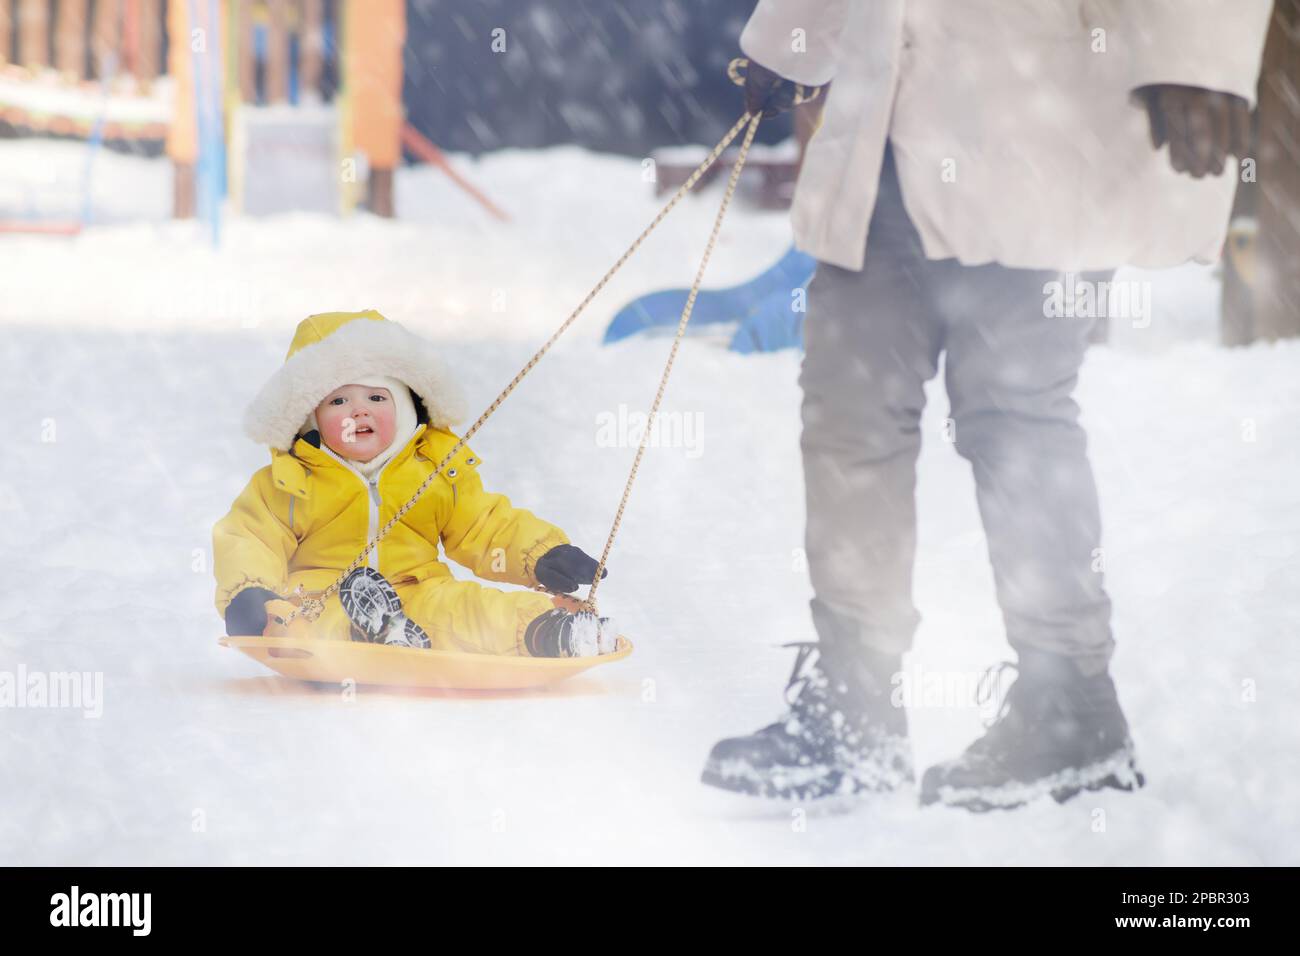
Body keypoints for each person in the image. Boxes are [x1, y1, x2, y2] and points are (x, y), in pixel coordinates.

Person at [702, 0, 1271, 809]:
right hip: (885, 124)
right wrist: (795, 36)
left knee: (1015, 412)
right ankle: (852, 706)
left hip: (1040, 108)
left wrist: (1197, 54)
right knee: (847, 409)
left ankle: (1068, 704)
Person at [213, 310, 615, 658]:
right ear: (310, 420)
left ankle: (551, 632)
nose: (358, 410)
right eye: (337, 402)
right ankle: (363, 635)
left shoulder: (432, 471)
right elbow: (250, 538)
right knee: (306, 621)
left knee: (469, 610)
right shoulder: (289, 483)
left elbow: (483, 524)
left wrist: (541, 553)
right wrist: (249, 592)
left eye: (376, 397)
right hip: (321, 597)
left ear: (404, 407)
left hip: (421, 591)